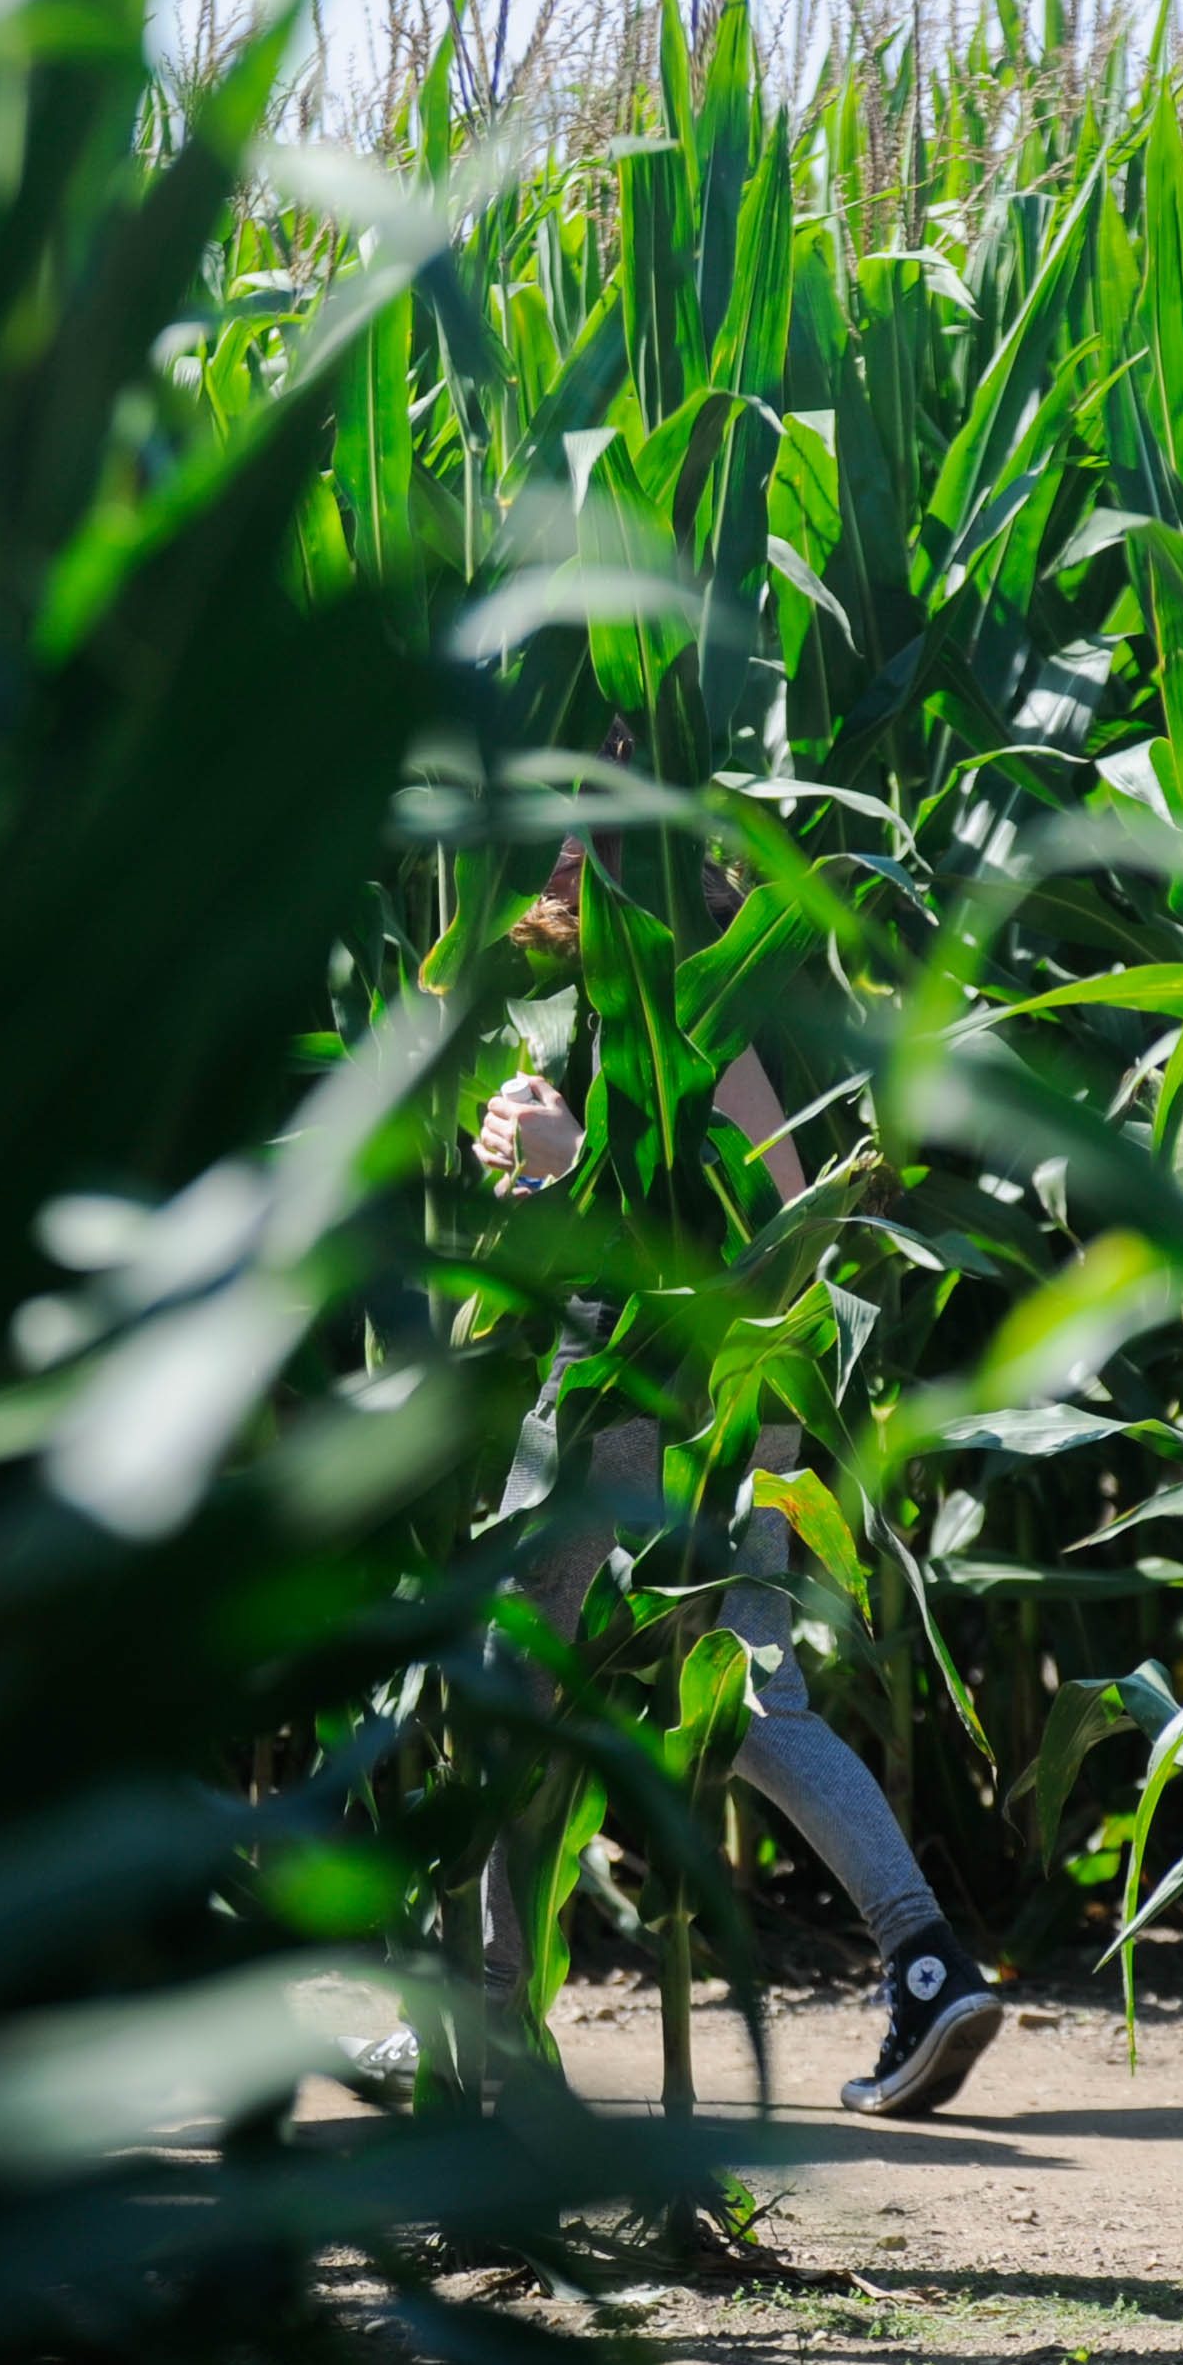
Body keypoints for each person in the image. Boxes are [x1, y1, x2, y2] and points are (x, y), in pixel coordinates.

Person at [467, 855, 1003, 2121]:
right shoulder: (645, 985)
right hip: (737, 1385)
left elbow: (767, 1201)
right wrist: (529, 1161)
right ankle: (927, 1963)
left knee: (508, 1679)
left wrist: (572, 1154)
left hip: (639, 1379)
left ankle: (478, 2018)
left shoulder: (678, 983)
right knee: (756, 1696)